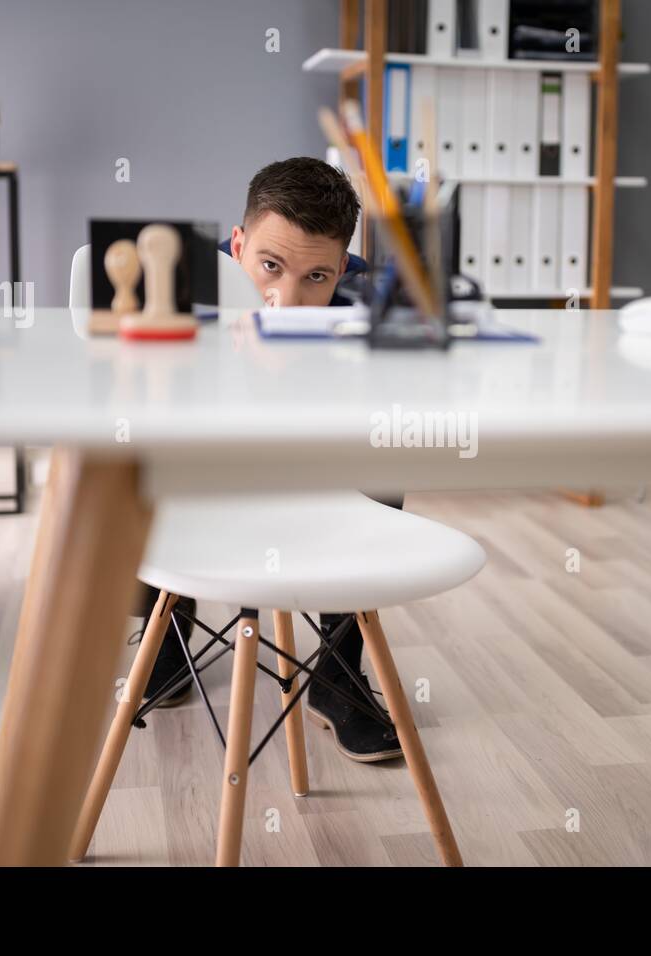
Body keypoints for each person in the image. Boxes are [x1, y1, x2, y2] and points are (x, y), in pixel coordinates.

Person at [133, 156, 403, 762]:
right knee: (131, 453)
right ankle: (169, 635)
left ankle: (336, 676)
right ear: (236, 246)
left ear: (343, 268)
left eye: (317, 277)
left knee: (381, 462)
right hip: (197, 488)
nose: (288, 299)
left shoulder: (363, 310)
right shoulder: (174, 288)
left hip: (305, 489)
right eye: (270, 267)